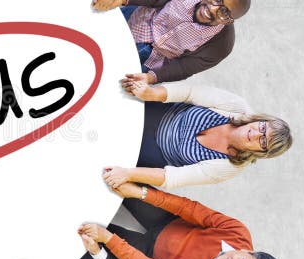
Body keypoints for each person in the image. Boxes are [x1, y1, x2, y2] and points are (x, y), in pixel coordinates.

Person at [82, 183, 285, 259]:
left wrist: (108, 239)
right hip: (166, 220)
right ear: (249, 251)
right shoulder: (238, 232)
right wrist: (141, 193)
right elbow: (189, 208)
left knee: (90, 229)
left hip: (148, 255)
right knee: (118, 185)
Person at [103, 79, 292, 190]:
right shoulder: (238, 107)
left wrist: (127, 173)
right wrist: (151, 93)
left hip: (154, 152)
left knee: (105, 146)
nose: (257, 133)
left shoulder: (230, 166)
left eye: (263, 141)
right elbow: (190, 92)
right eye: (263, 127)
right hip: (157, 112)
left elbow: (173, 178)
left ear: (261, 153)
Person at [95, 0, 251, 83]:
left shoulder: (221, 46)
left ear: (229, 21)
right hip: (136, 20)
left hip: (150, 61)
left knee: (105, 80)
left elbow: (184, 68)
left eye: (224, 12)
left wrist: (151, 77)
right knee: (91, 37)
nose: (212, 8)